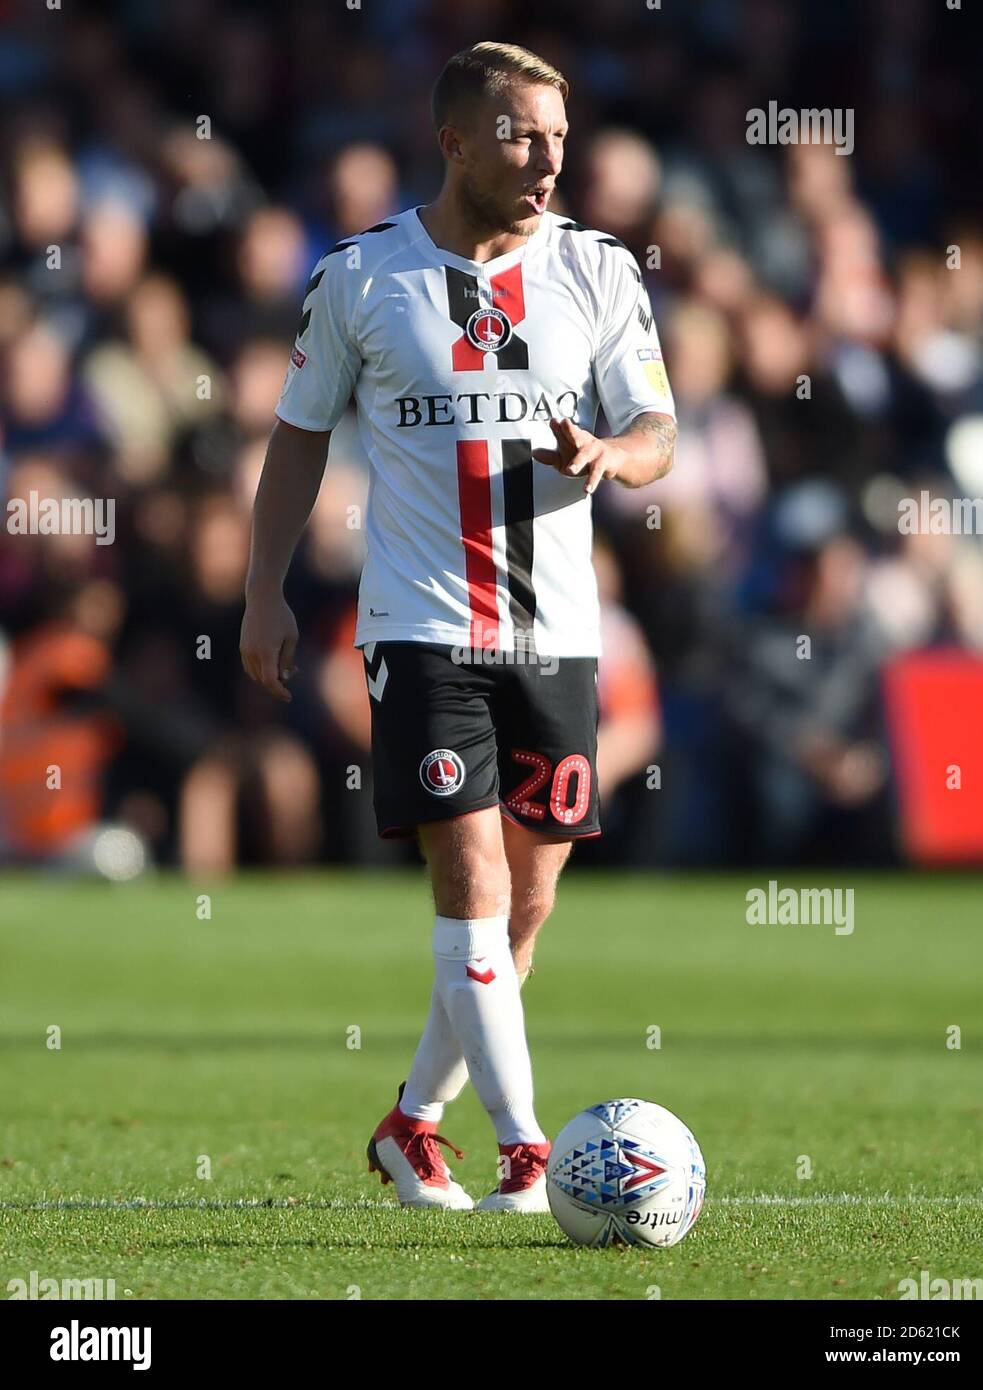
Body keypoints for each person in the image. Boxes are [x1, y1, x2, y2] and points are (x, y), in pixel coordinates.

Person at [240, 42, 676, 1212]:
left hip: (561, 630)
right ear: (453, 141)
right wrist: (262, 588)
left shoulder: (595, 271)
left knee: (521, 912)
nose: (547, 162)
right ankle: (531, 1150)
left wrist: (611, 454)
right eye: (522, 137)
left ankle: (410, 1121)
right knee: (470, 873)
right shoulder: (361, 277)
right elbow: (294, 435)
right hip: (421, 624)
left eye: (559, 140)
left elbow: (655, 426)